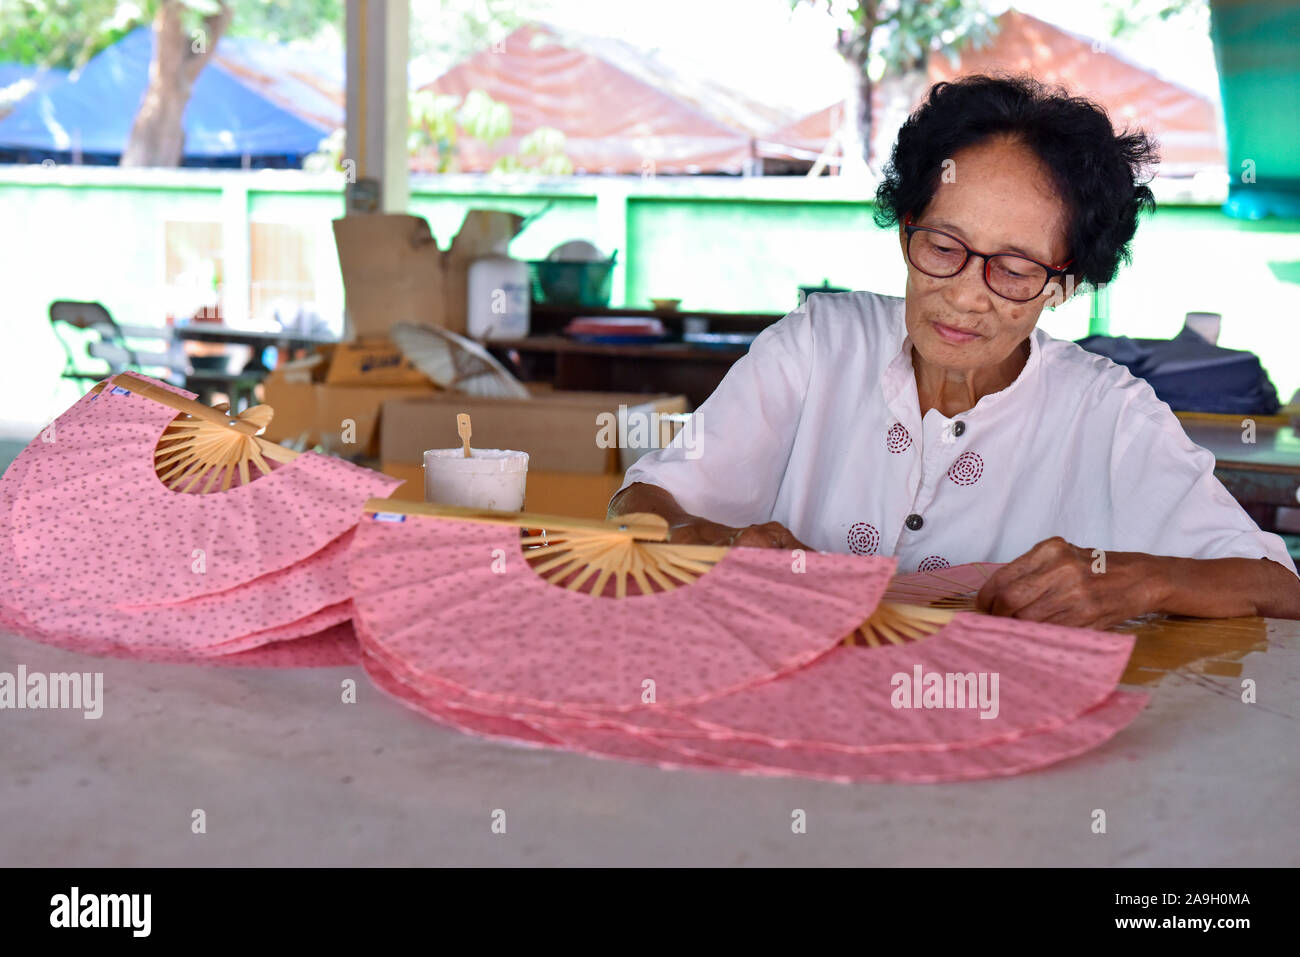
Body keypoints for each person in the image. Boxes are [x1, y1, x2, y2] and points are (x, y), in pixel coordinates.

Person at [609, 74, 1300, 628]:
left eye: (1016, 269)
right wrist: (707, 539)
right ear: (905, 229)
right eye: (943, 247)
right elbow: (640, 501)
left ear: (1068, 283)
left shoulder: (1107, 411)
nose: (968, 296)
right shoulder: (820, 345)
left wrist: (1137, 575)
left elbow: (1276, 585)